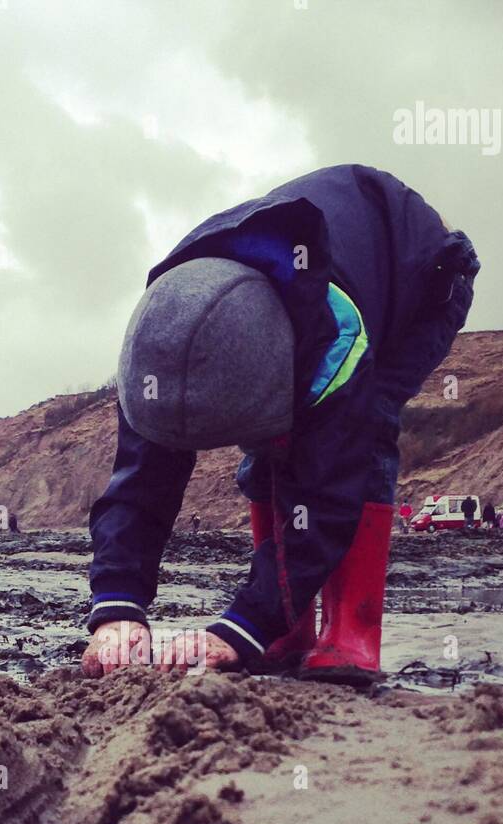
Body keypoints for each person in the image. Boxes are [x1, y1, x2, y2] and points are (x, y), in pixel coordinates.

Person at [81, 164, 480, 678]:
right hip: (309, 281)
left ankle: (352, 630)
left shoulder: (337, 342)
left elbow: (330, 486)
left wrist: (243, 624)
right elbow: (140, 481)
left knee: (361, 432)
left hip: (429, 274)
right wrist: (117, 608)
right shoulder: (161, 346)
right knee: (272, 453)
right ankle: (290, 627)